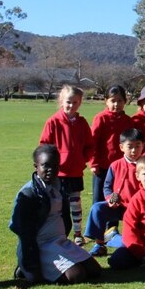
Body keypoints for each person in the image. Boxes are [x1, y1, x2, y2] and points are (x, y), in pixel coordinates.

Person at [9, 145, 101, 285]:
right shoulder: (28, 194)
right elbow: (21, 230)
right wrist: (31, 268)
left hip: (60, 241)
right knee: (77, 276)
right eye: (45, 166)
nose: (50, 169)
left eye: (55, 165)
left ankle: (58, 266)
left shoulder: (60, 186)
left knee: (95, 271)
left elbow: (64, 216)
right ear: (36, 166)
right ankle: (27, 268)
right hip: (41, 245)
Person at [39, 84, 93, 245]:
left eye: (75, 102)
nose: (71, 105)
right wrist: (53, 163)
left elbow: (90, 145)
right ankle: (59, 235)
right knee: (58, 206)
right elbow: (44, 146)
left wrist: (82, 160)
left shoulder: (82, 123)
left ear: (80, 103)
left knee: (75, 204)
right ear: (62, 101)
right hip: (58, 174)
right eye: (68, 102)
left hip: (75, 172)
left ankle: (77, 234)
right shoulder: (53, 122)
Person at [83, 127, 145, 257]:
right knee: (97, 208)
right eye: (130, 146)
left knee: (133, 244)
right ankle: (99, 244)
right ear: (121, 147)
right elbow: (107, 186)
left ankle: (113, 238)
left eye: (137, 146)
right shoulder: (115, 165)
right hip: (118, 207)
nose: (134, 150)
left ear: (143, 146)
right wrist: (110, 198)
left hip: (138, 210)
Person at [88, 85, 133, 204]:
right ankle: (97, 222)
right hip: (102, 166)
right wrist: (94, 163)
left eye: (120, 101)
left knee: (116, 197)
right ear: (106, 101)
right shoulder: (100, 118)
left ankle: (111, 223)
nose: (116, 104)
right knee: (98, 198)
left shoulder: (128, 121)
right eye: (113, 101)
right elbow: (93, 141)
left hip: (119, 167)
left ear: (125, 102)